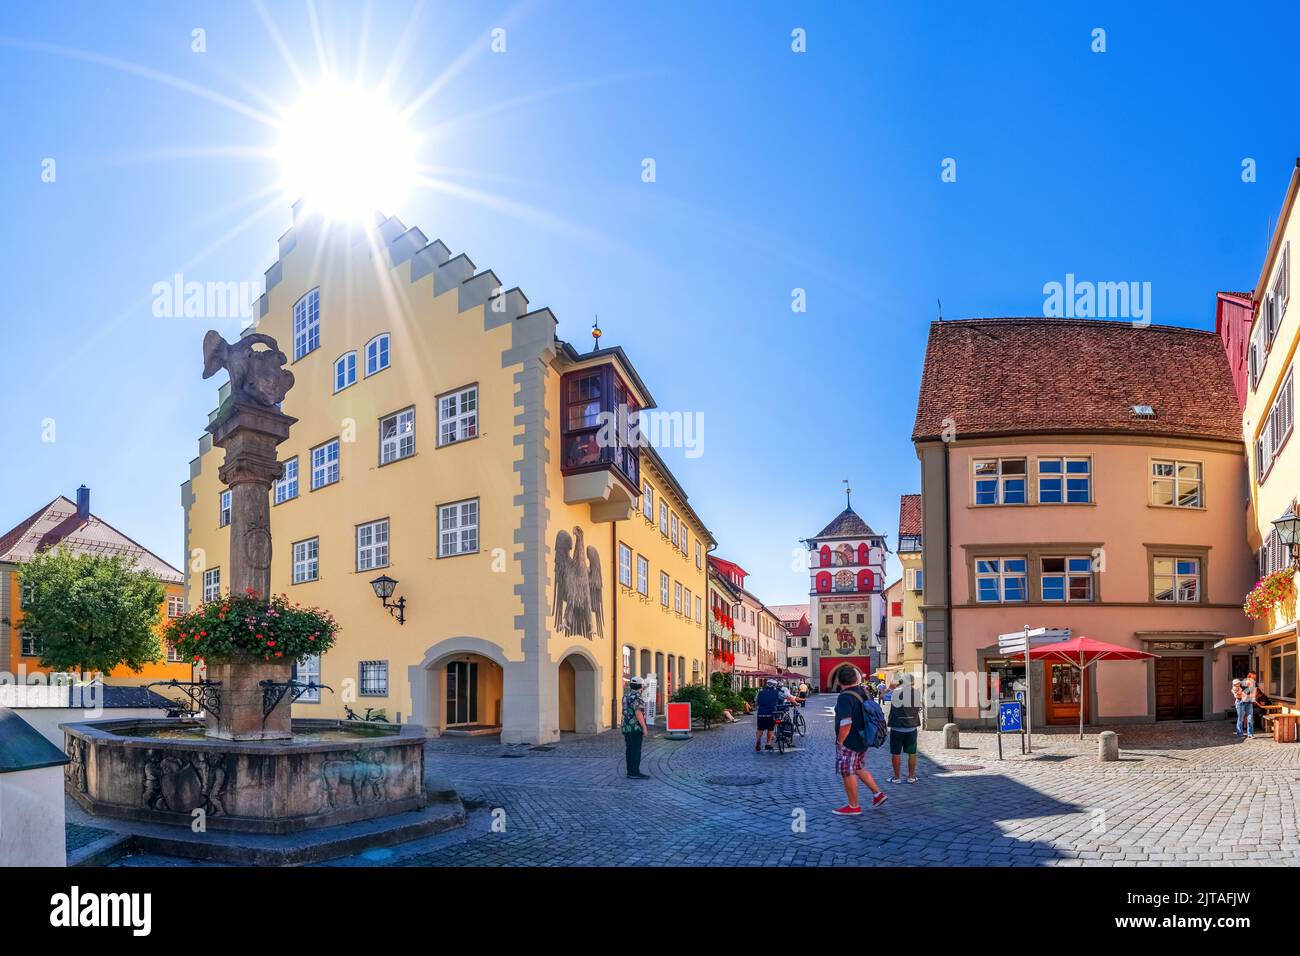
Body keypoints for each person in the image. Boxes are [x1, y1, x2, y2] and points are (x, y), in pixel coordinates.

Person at [831, 665, 886, 814]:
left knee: (847, 772)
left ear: (839, 681)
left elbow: (846, 723)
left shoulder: (845, 697)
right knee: (858, 767)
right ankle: (878, 794)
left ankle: (853, 806)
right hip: (864, 737)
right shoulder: (864, 691)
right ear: (856, 678)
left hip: (850, 741)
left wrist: (839, 742)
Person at [885, 674, 922, 783]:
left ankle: (897, 778)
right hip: (911, 727)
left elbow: (886, 697)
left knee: (896, 753)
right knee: (912, 753)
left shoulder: (896, 692)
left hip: (897, 727)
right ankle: (911, 777)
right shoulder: (916, 693)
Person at [622, 677, 650, 778]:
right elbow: (638, 713)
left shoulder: (626, 696)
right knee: (636, 750)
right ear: (641, 687)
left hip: (626, 727)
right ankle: (635, 773)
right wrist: (644, 728)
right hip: (635, 728)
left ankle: (630, 772)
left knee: (629, 749)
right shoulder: (638, 697)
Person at [754, 679, 782, 751]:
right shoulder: (777, 692)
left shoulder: (760, 692)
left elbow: (756, 701)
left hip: (761, 713)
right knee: (770, 729)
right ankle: (768, 744)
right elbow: (783, 698)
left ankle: (758, 741)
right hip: (771, 713)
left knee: (760, 729)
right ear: (774, 685)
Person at [1240, 671, 1258, 739]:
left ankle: (1250, 733)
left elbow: (1255, 692)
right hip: (1242, 702)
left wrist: (1253, 697)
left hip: (1249, 702)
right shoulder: (1244, 682)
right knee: (1240, 718)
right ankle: (1240, 733)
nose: (1254, 679)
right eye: (1253, 677)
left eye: (1254, 678)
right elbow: (1241, 692)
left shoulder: (1254, 683)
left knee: (1250, 718)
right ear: (1249, 676)